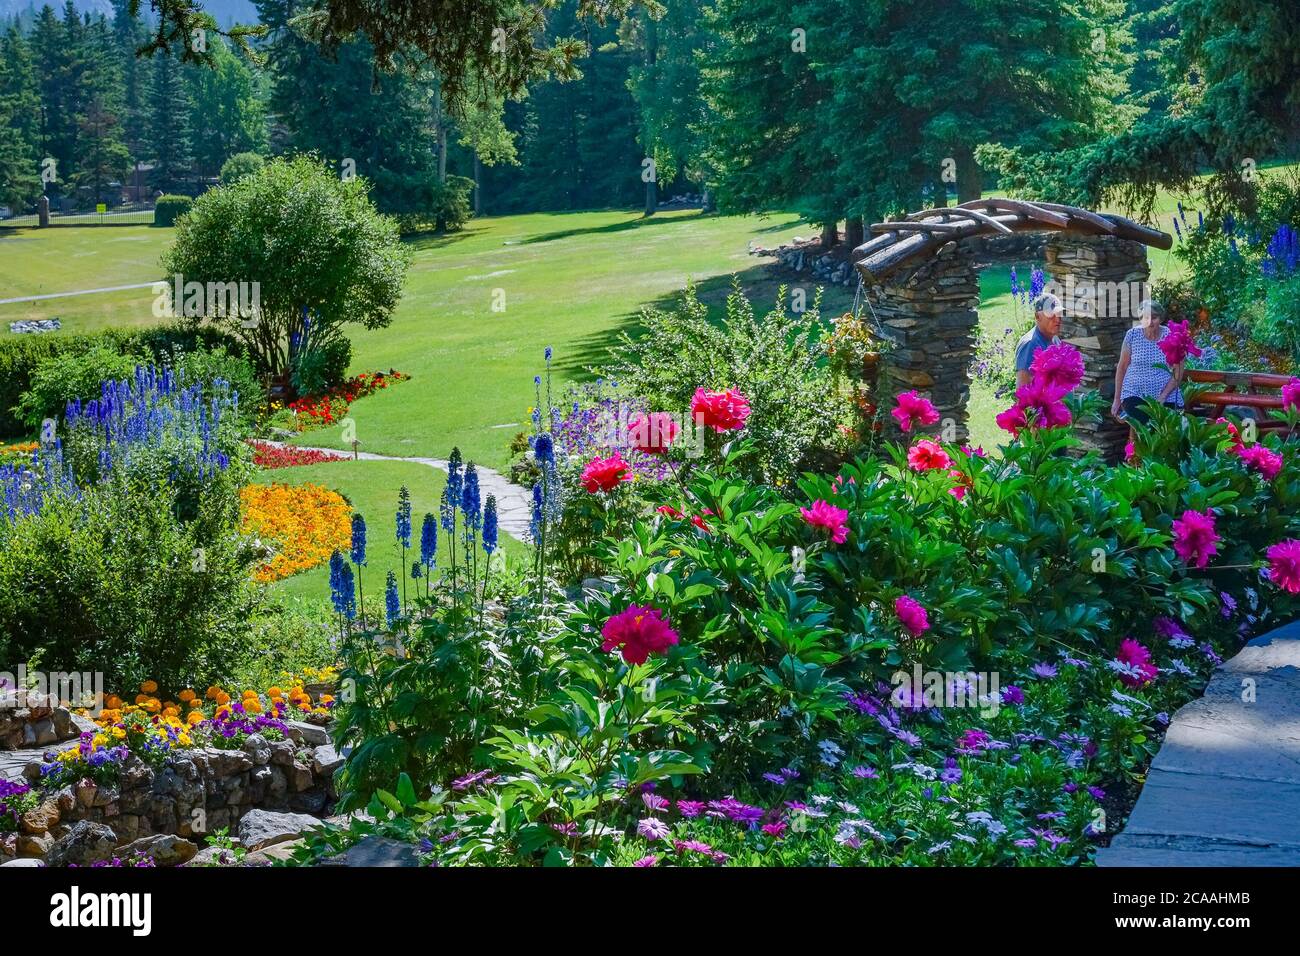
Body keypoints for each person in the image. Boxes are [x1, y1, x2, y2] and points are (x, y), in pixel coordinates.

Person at [1112, 300, 1183, 426]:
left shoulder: (1171, 336)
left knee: (1166, 426)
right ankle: (1139, 445)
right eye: (1145, 318)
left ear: (1161, 318)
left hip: (1166, 395)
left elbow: (1178, 371)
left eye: (1154, 317)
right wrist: (1117, 399)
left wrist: (1163, 396)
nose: (1150, 322)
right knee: (1145, 424)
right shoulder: (1132, 335)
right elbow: (1122, 367)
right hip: (1134, 393)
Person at [1015, 292, 1063, 386]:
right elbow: (1023, 390)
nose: (1057, 319)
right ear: (1037, 316)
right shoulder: (1030, 345)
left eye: (1059, 313)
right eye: (1051, 315)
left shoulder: (1055, 339)